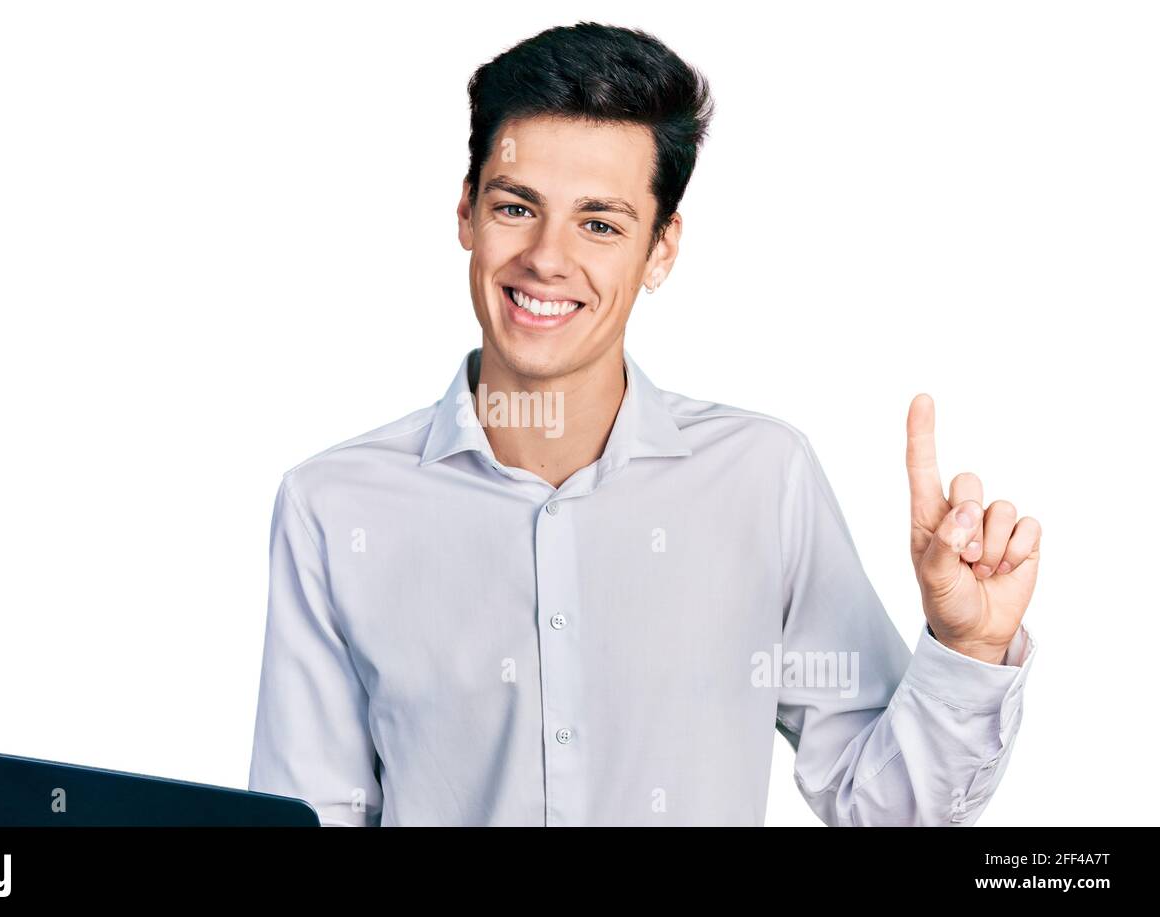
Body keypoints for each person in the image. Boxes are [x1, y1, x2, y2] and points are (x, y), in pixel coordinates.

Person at [247, 21, 1040, 826]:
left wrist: (967, 653)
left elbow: (885, 810)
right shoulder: (334, 508)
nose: (547, 258)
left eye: (600, 223)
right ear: (466, 214)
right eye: (517, 207)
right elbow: (314, 812)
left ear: (661, 249)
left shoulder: (762, 482)